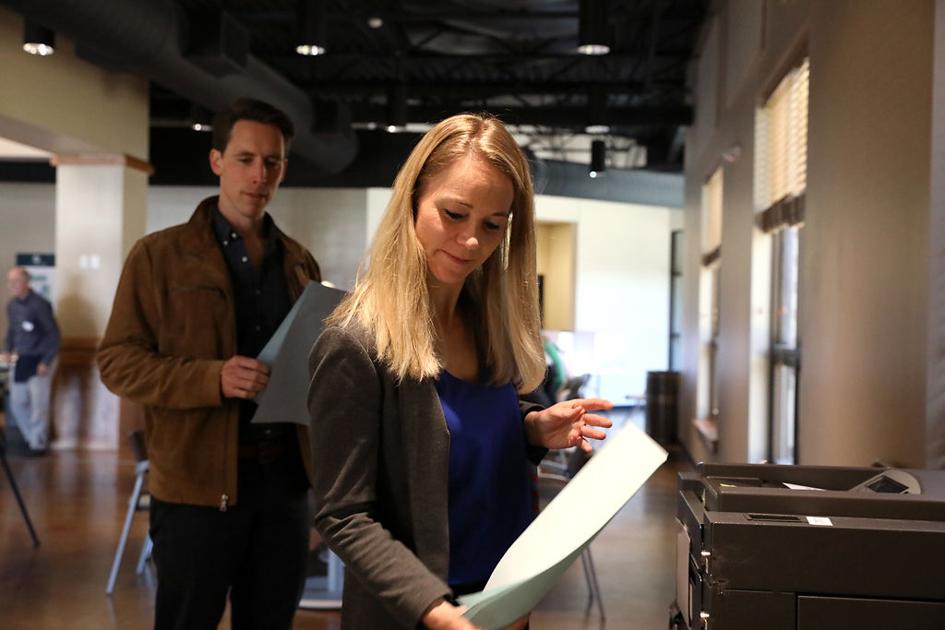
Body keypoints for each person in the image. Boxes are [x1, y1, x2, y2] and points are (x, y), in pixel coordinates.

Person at [308, 113, 613, 629]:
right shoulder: (354, 343)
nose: (471, 241)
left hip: (503, 606)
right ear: (412, 202)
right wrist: (437, 613)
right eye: (453, 214)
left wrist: (529, 428)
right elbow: (344, 515)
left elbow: (455, 430)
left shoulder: (486, 327)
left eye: (493, 225)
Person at [98, 98, 321, 630]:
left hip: (284, 489)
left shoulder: (300, 262)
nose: (259, 175)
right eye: (245, 159)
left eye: (272, 162)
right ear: (217, 160)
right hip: (196, 491)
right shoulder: (157, 256)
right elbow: (116, 361)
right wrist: (211, 377)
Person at [2, 266, 59, 455]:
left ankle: (37, 444)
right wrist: (7, 350)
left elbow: (54, 335)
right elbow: (12, 330)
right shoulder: (11, 305)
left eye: (16, 281)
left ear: (26, 282)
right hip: (22, 359)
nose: (12, 285)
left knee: (38, 406)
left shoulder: (40, 304)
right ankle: (31, 437)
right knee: (17, 402)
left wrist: (47, 361)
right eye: (10, 282)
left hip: (39, 360)